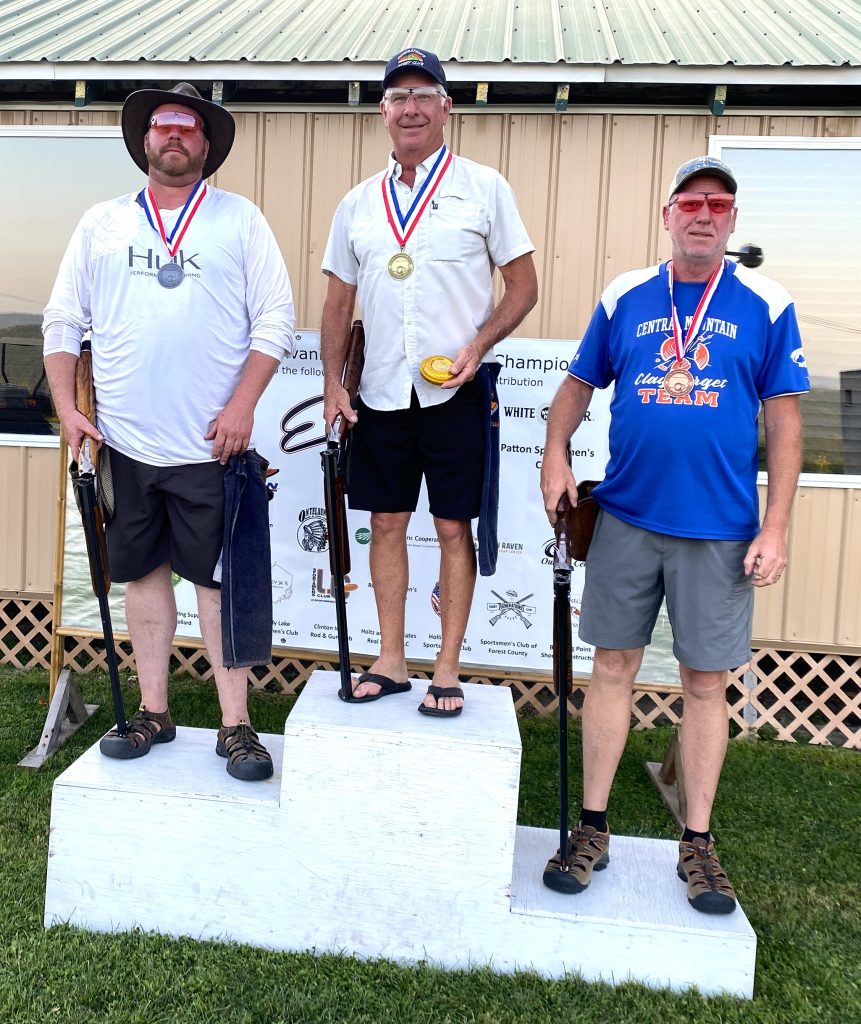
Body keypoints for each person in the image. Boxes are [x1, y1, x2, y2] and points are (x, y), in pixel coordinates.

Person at [540, 156, 809, 912]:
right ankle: (590, 826)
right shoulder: (625, 295)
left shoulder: (765, 300)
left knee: (702, 683)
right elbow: (576, 385)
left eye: (718, 205)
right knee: (612, 669)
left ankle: (696, 842)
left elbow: (784, 421)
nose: (703, 214)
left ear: (730, 220)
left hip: (721, 531)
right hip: (626, 516)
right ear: (667, 214)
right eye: (689, 201)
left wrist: (776, 526)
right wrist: (553, 454)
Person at [43, 83, 295, 781]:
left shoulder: (239, 220)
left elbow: (275, 318)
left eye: (187, 126)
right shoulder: (100, 224)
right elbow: (62, 321)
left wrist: (244, 404)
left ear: (206, 145)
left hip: (210, 448)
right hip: (126, 444)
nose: (174, 136)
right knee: (144, 578)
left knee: (217, 587)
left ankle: (236, 724)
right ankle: (154, 710)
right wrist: (67, 410)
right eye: (163, 126)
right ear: (144, 141)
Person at [320, 48, 537, 717]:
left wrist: (476, 345)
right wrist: (333, 383)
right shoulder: (358, 203)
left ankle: (446, 668)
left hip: (454, 392)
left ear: (446, 108)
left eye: (423, 94)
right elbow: (336, 305)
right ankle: (390, 660)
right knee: (385, 523)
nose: (409, 107)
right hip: (380, 395)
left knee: (451, 529)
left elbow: (523, 287)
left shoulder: (484, 188)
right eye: (396, 97)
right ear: (382, 112)